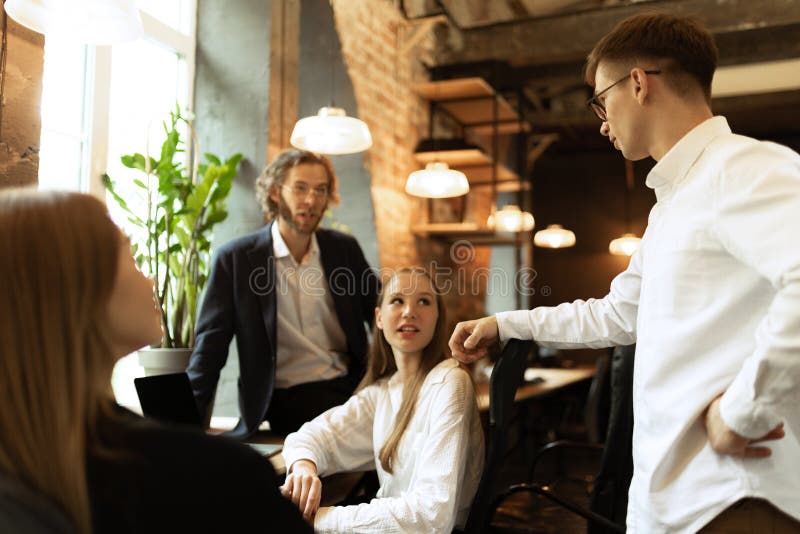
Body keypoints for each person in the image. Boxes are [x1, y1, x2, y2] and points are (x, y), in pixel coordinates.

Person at [449, 12, 800, 534]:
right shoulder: (671, 205)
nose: (602, 121)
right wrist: (508, 325)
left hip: (729, 497)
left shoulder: (742, 167)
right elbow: (616, 315)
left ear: (637, 82)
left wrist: (741, 414)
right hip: (671, 499)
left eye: (600, 99)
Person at [0, 189, 311, 533]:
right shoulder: (219, 479)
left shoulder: (27, 467)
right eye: (130, 257)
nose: (150, 280)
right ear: (76, 292)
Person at [187, 149, 379, 437]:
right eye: (300, 188)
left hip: (347, 392)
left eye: (320, 190)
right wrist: (183, 432)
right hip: (281, 401)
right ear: (276, 192)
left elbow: (383, 314)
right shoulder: (236, 259)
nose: (311, 200)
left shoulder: (344, 250)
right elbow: (209, 350)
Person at [281, 268, 484, 532]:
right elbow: (309, 437)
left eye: (423, 301)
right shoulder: (383, 392)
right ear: (378, 318)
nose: (409, 311)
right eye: (397, 300)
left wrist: (319, 519)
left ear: (437, 317)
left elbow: (430, 516)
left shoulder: (449, 382)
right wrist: (303, 468)